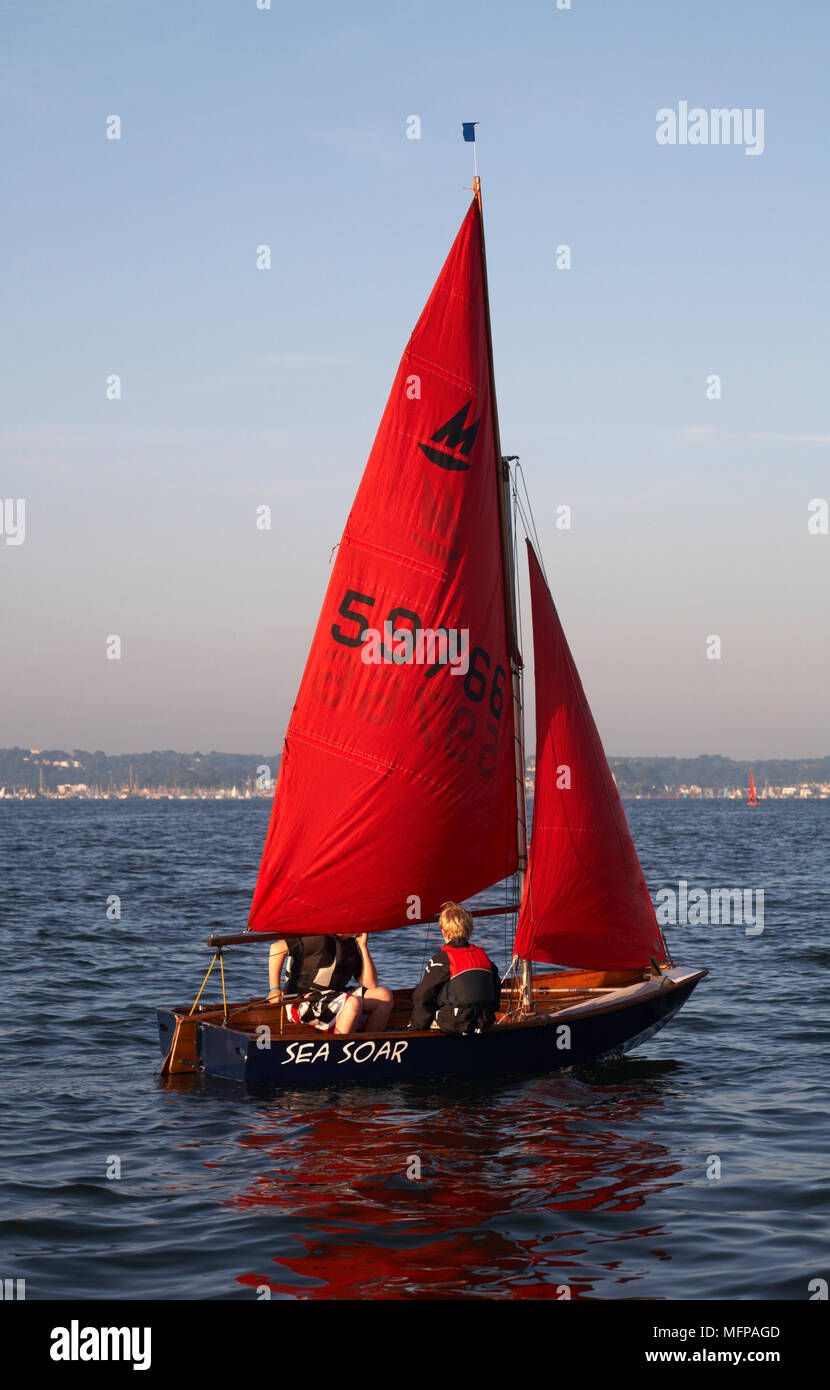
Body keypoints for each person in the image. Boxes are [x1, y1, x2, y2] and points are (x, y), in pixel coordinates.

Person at [268, 932, 393, 1034]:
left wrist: (363, 947)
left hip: (335, 996)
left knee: (384, 996)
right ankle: (340, 1052)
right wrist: (274, 988)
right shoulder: (318, 939)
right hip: (302, 1001)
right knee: (351, 1002)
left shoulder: (351, 946)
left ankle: (368, 1046)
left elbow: (370, 984)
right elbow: (276, 948)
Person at [410, 902, 501, 1035]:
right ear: (470, 929)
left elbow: (423, 995)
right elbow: (495, 988)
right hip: (484, 1020)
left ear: (443, 931)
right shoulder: (483, 956)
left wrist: (416, 1027)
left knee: (424, 997)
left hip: (454, 1023)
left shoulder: (443, 959)